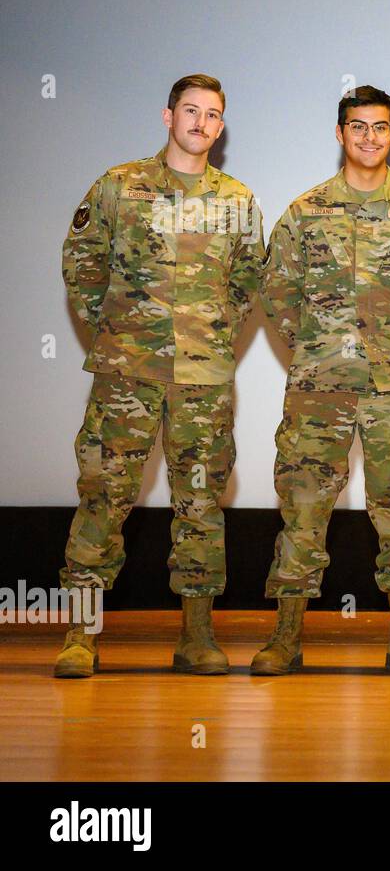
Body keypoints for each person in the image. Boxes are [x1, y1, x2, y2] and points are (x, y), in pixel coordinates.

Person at [57, 73, 264, 677]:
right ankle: (81, 634)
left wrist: (215, 329)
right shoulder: (120, 187)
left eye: (214, 114)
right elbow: (81, 261)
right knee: (105, 496)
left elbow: (252, 280)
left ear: (221, 126)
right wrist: (117, 330)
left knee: (200, 501)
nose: (202, 123)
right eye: (191, 111)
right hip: (128, 375)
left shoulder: (238, 201)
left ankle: (196, 635)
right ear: (168, 116)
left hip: (202, 379)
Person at [253, 86, 390, 675]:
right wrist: (316, 349)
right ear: (340, 134)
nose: (369, 137)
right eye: (358, 127)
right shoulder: (306, 212)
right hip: (320, 390)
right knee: (304, 507)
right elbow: (278, 294)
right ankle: (285, 639)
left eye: (380, 127)